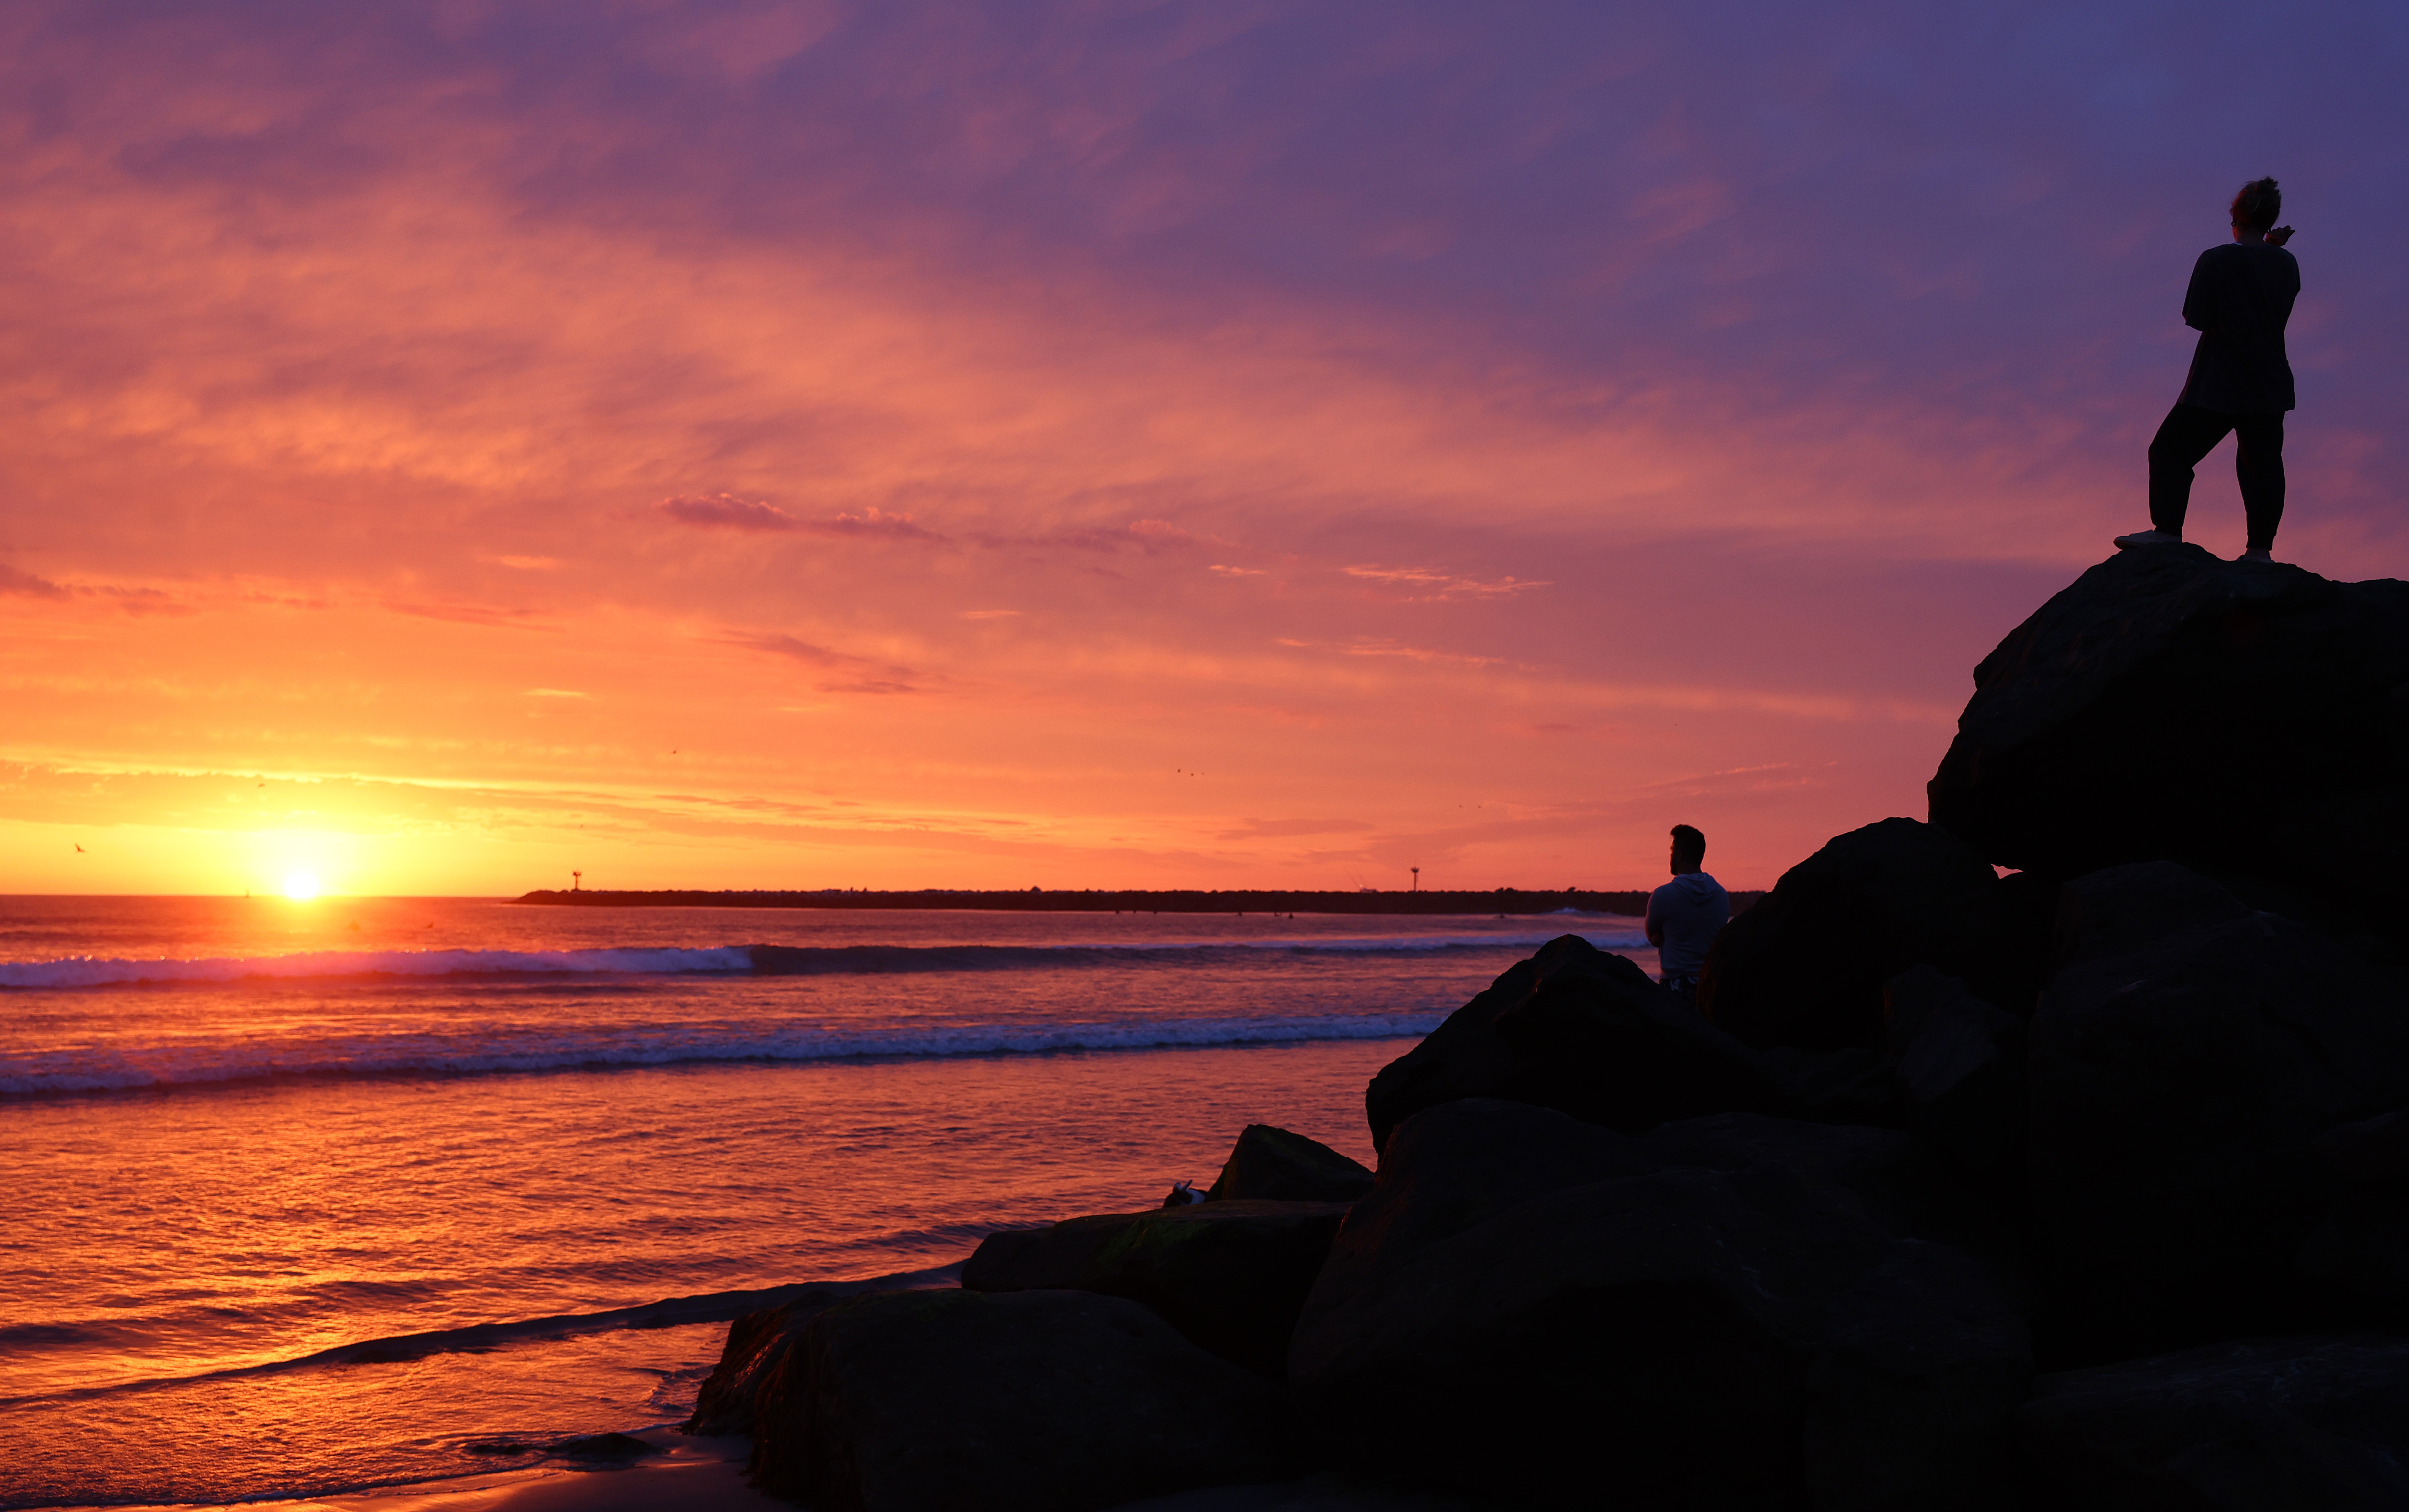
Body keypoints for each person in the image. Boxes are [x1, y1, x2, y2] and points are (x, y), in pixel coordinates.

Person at [2115, 178, 2299, 563]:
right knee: (2262, 467)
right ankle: (2260, 551)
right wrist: (2270, 249)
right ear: (2269, 220)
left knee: (2169, 450)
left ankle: (2167, 533)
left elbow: (2196, 317)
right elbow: (2266, 290)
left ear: (2236, 219)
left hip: (2219, 382)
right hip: (2269, 383)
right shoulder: (2286, 263)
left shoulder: (2216, 260)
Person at [1645, 824, 1728, 1004]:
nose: (1670, 856)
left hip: (1675, 986)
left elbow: (1652, 935)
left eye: (1672, 850)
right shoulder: (1721, 895)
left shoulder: (1663, 895)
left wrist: (1660, 935)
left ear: (1680, 855)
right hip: (1710, 987)